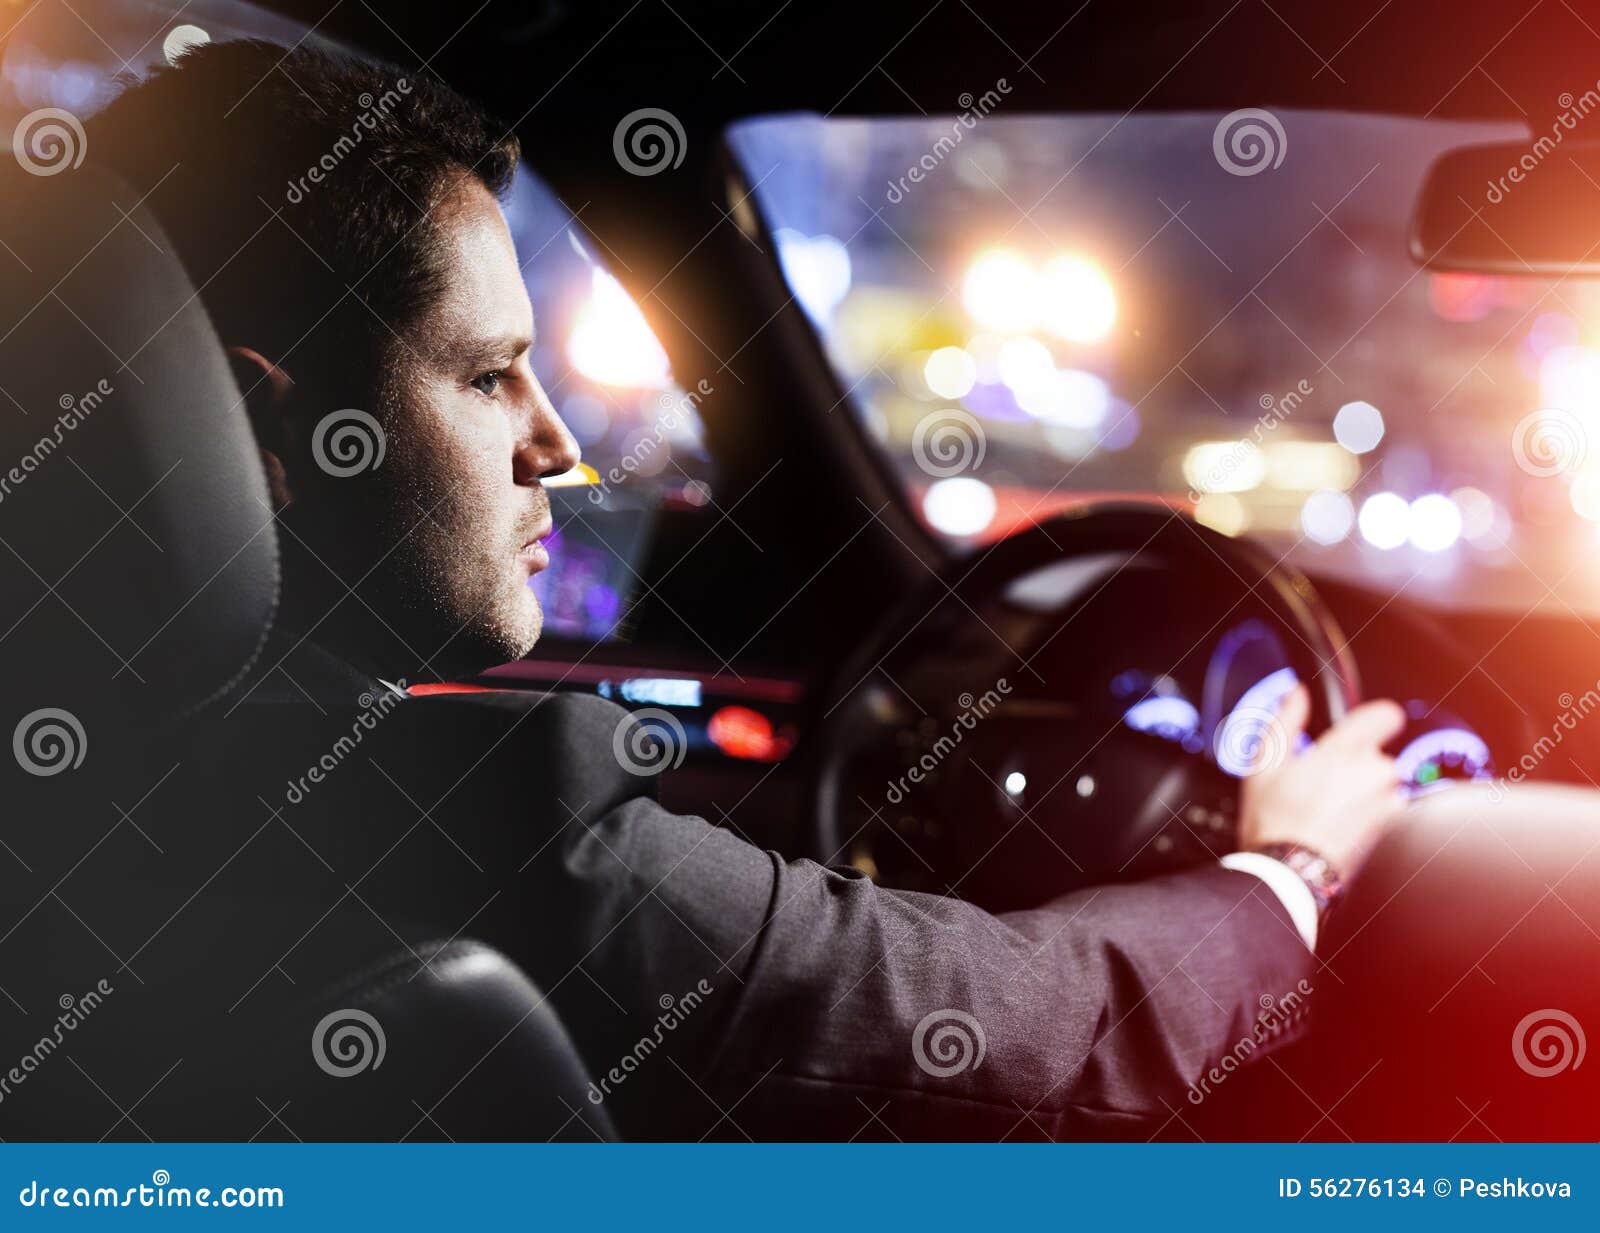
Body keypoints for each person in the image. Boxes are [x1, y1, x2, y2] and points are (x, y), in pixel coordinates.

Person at [78, 40, 1407, 1139]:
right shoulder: (480, 813)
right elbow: (1046, 1039)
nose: (560, 444)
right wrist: (1283, 863)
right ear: (264, 432)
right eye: (489, 378)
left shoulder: (89, 786)